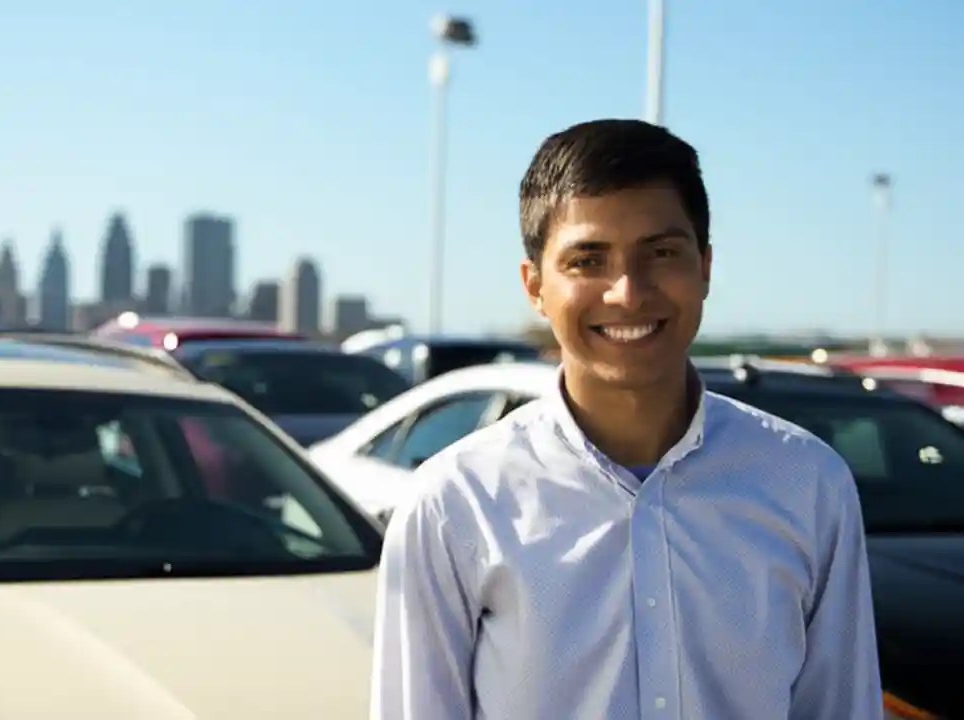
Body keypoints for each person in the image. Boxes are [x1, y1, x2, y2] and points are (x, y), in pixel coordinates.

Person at [370, 119, 882, 719]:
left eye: (661, 253)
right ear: (535, 285)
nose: (628, 293)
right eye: (588, 260)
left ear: (705, 267)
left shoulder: (808, 484)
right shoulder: (454, 503)